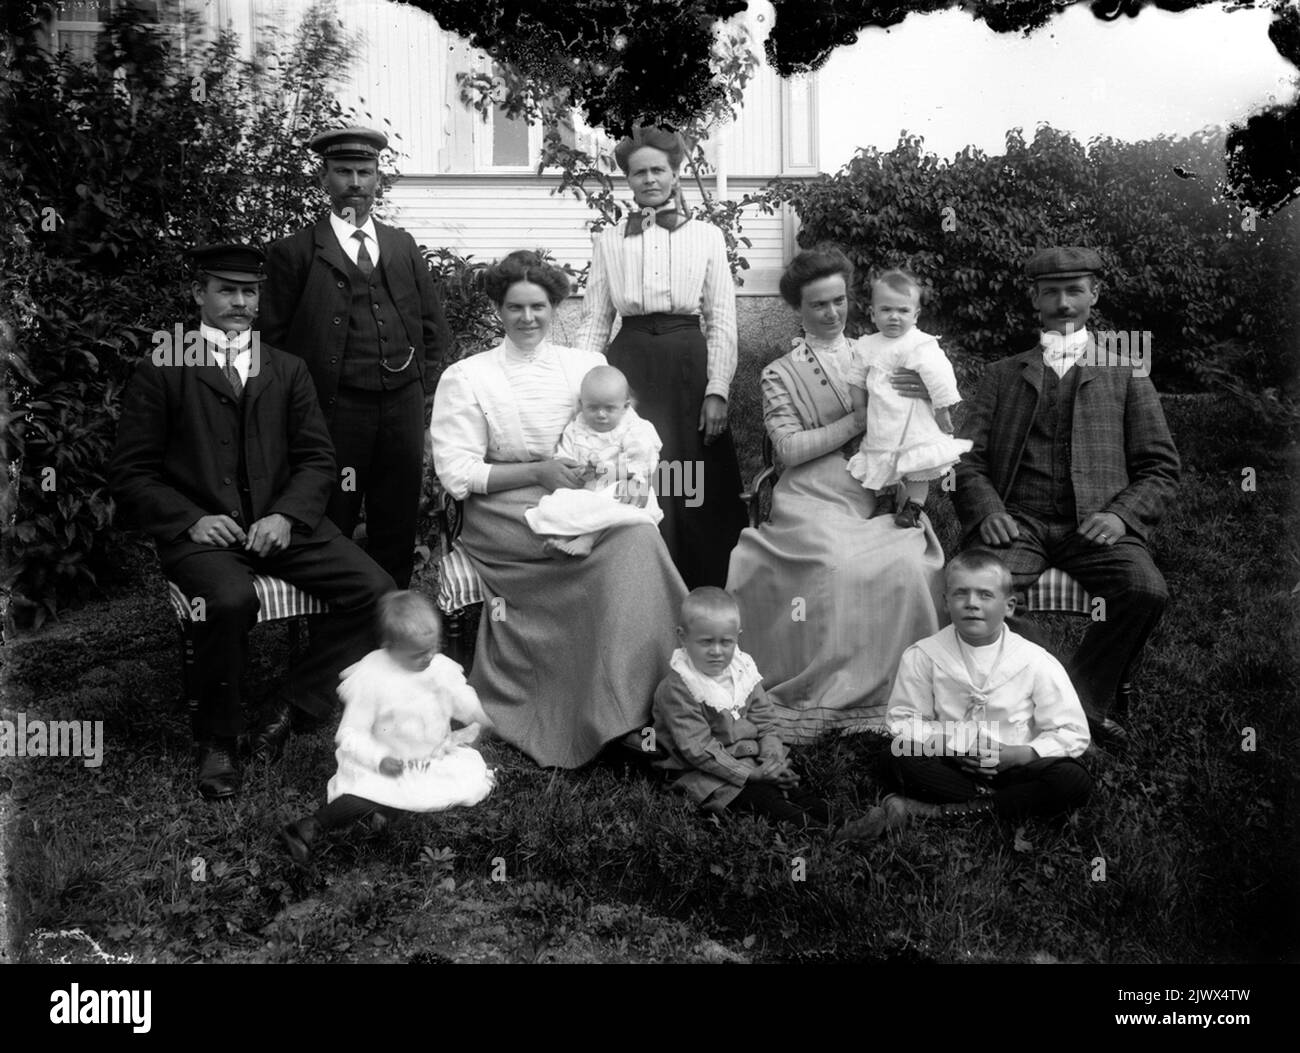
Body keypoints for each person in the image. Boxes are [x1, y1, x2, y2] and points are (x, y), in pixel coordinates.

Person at [109, 244, 394, 800]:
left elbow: (318, 459)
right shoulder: (163, 367)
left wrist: (286, 514)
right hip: (204, 536)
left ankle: (291, 702)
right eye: (227, 290)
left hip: (283, 526)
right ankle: (218, 738)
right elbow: (131, 473)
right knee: (228, 600)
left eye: (249, 292)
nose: (240, 302)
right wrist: (191, 520)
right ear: (199, 294)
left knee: (379, 592)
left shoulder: (286, 367)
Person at [430, 250, 688, 769]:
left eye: (539, 307)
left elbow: (628, 430)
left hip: (584, 498)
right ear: (498, 309)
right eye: (515, 307)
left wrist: (630, 477)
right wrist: (538, 473)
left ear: (555, 308)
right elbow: (457, 474)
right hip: (503, 512)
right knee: (604, 553)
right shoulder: (467, 376)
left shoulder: (585, 366)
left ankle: (655, 702)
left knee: (639, 539)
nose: (528, 318)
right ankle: (598, 713)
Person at [953, 246, 1180, 748]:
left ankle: (1081, 699)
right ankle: (1048, 695)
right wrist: (988, 510)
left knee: (1145, 590)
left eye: (1074, 290)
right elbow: (965, 459)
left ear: (1094, 295)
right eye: (1051, 292)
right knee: (979, 592)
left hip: (1096, 527)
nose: (1063, 303)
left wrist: (1121, 517)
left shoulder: (1127, 372)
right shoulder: (1002, 375)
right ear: (1034, 299)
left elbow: (1161, 467)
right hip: (1019, 521)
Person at [726, 247, 947, 743]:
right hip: (810, 494)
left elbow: (919, 426)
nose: (832, 313)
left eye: (839, 301)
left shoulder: (881, 353)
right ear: (798, 308)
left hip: (876, 491)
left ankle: (898, 690)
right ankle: (829, 693)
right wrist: (856, 421)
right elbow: (787, 448)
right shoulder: (780, 372)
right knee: (836, 563)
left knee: (909, 564)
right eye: (818, 304)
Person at [260, 126, 450, 589]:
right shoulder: (294, 252)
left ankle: (392, 618)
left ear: (377, 179)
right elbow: (272, 344)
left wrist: (421, 392)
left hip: (401, 405)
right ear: (324, 179)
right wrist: (294, 411)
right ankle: (338, 622)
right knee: (335, 511)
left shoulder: (401, 245)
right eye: (343, 172)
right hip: (335, 410)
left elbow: (432, 327)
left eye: (365, 172)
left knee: (397, 512)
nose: (355, 183)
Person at [575, 124, 746, 588]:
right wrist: (579, 385)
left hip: (688, 365)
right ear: (628, 179)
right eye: (639, 172)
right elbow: (594, 321)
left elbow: (722, 319)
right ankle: (640, 587)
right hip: (630, 366)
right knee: (636, 469)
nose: (649, 179)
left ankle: (702, 592)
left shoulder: (707, 236)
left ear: (675, 173)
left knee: (691, 478)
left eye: (658, 170)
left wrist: (717, 390)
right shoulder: (609, 240)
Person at [866, 549, 1092, 836]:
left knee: (1073, 777)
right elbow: (902, 721)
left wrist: (1021, 754)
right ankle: (1002, 806)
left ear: (1009, 606)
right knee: (895, 754)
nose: (972, 603)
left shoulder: (1035, 661)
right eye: (961, 593)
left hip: (1014, 767)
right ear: (946, 602)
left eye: (985, 595)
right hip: (950, 760)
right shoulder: (923, 655)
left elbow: (1072, 730)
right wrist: (953, 747)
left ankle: (939, 811)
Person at [279, 591, 494, 865]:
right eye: (418, 653)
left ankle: (387, 813)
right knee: (370, 791)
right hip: (382, 757)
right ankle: (309, 827)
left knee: (458, 779)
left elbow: (458, 695)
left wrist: (476, 715)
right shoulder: (374, 677)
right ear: (391, 648)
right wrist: (379, 759)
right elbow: (349, 734)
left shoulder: (438, 667)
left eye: (434, 647)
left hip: (427, 756)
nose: (430, 656)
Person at [654, 588, 882, 840]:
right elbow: (699, 750)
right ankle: (825, 834)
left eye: (726, 642)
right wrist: (752, 775)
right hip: (701, 771)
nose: (717, 651)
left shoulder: (742, 673)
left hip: (748, 759)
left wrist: (771, 761)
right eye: (706, 642)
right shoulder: (679, 688)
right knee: (761, 798)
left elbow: (766, 722)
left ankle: (846, 821)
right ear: (683, 637)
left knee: (789, 786)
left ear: (737, 637)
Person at [846, 269, 970, 527]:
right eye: (886, 309)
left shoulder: (919, 343)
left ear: (915, 315)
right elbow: (856, 377)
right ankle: (885, 498)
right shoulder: (867, 345)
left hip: (915, 419)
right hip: (882, 418)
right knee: (880, 457)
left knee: (916, 467)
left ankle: (913, 507)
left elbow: (940, 377)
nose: (894, 316)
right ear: (872, 313)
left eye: (903, 310)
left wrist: (941, 410)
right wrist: (859, 406)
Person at [523, 364, 664, 557]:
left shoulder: (633, 428)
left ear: (625, 407)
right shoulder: (576, 427)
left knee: (617, 496)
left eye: (609, 408)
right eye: (593, 407)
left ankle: (587, 539)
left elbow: (641, 464)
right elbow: (564, 457)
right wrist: (578, 470)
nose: (601, 414)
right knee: (561, 499)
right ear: (582, 404)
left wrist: (608, 472)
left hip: (620, 485)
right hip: (587, 487)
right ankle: (563, 537)